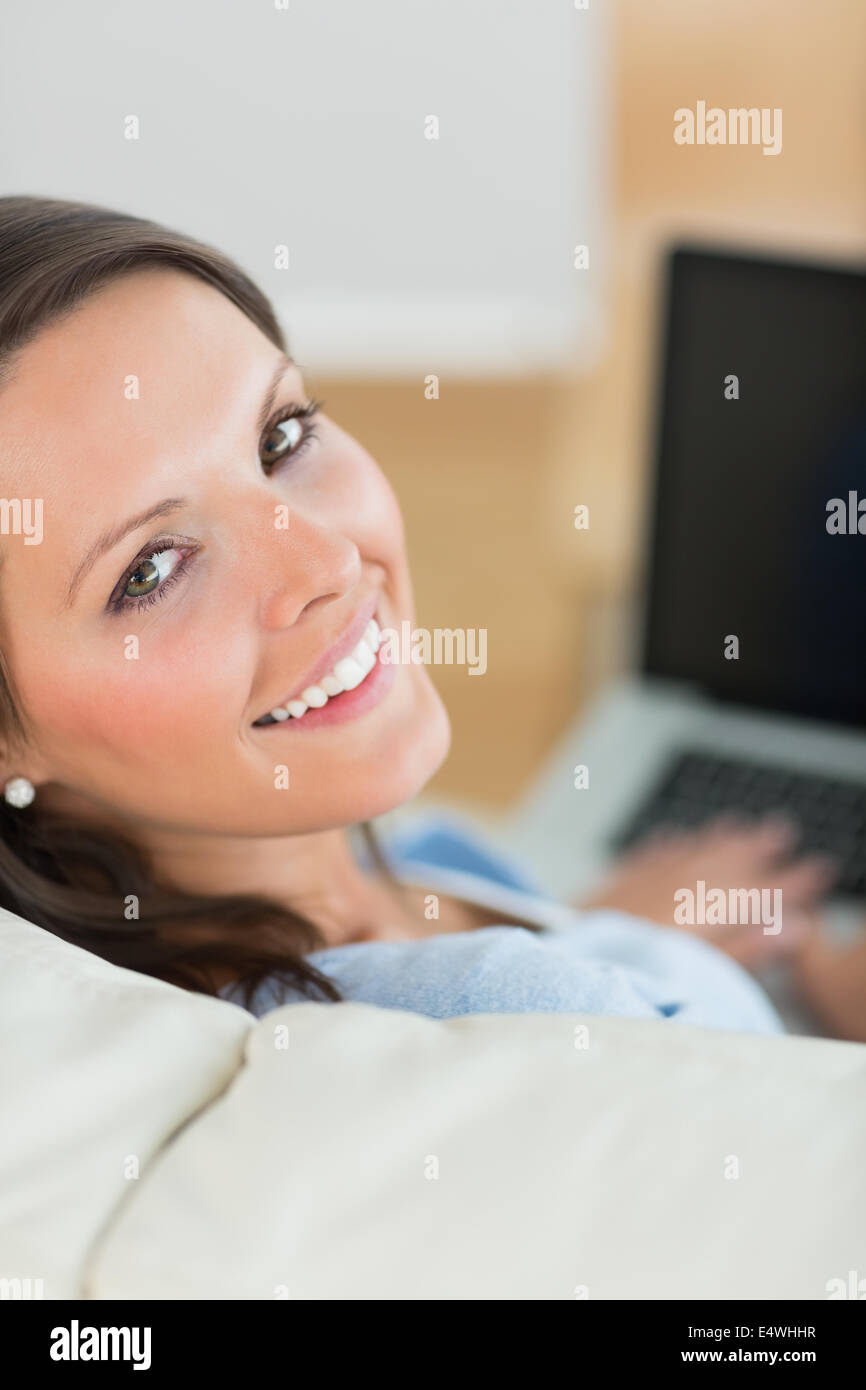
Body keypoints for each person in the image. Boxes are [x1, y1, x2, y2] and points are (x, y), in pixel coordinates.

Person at [0, 195, 860, 1040]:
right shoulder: (527, 1013)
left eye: (280, 439)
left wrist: (607, 932)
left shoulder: (398, 877)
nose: (328, 562)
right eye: (149, 569)